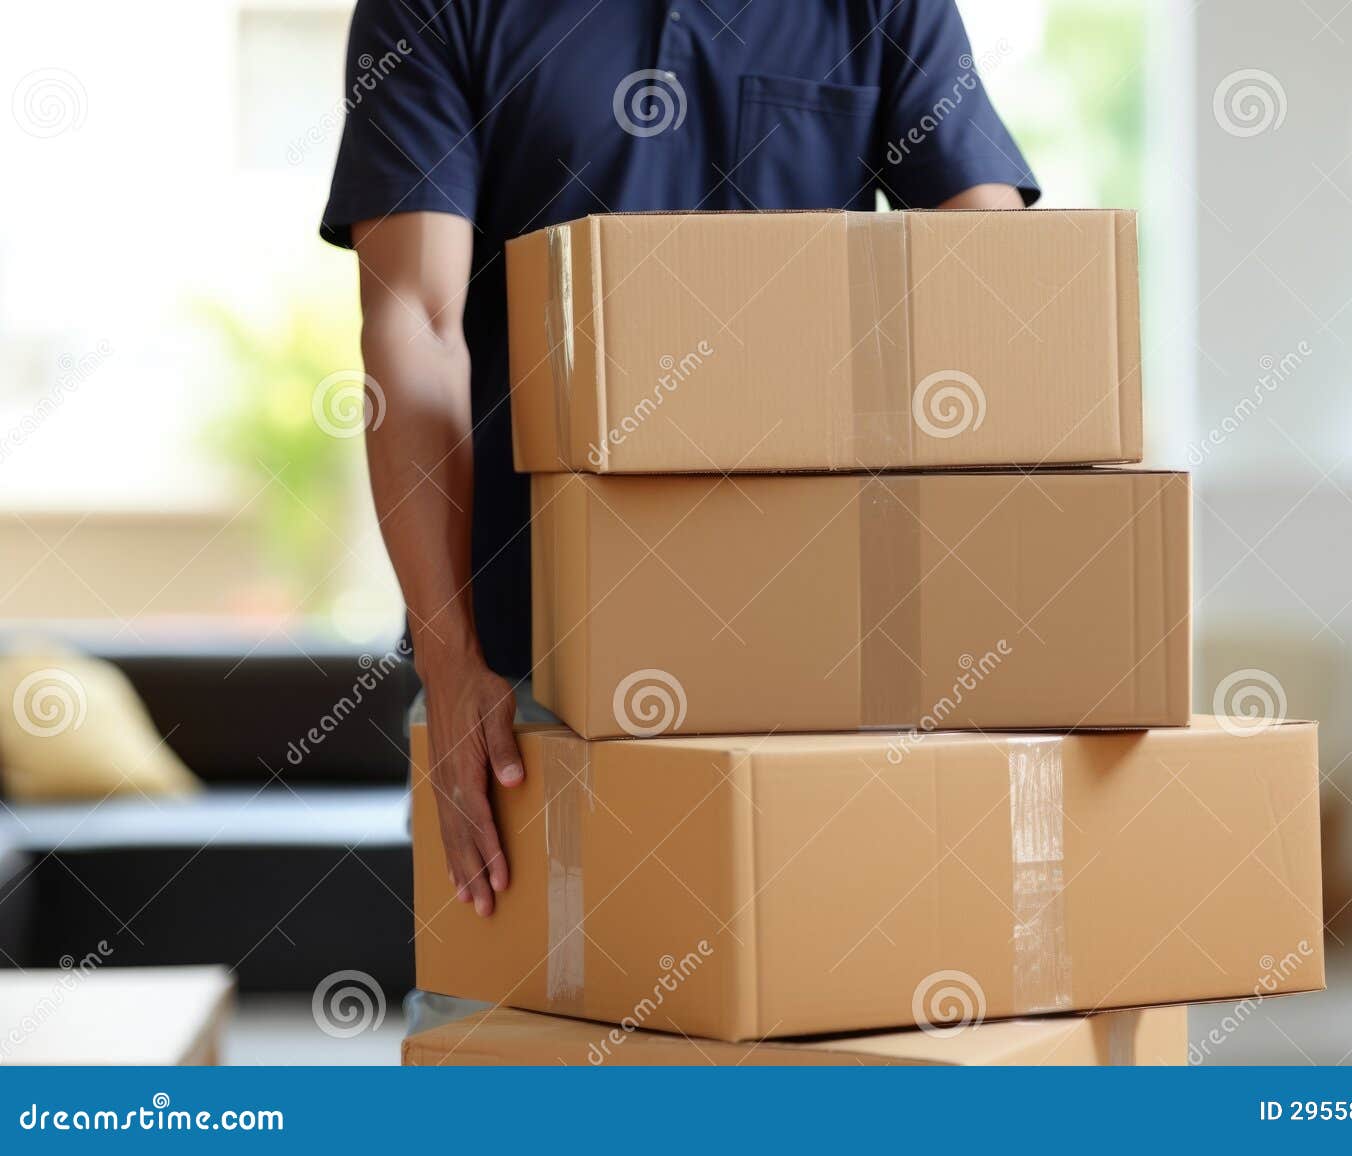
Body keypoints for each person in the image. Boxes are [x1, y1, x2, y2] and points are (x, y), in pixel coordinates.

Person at [322, 0, 1039, 918]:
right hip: (533, 664)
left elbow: (992, 285)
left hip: (828, 647)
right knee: (516, 1035)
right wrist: (450, 655)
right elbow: (415, 323)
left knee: (835, 1030)